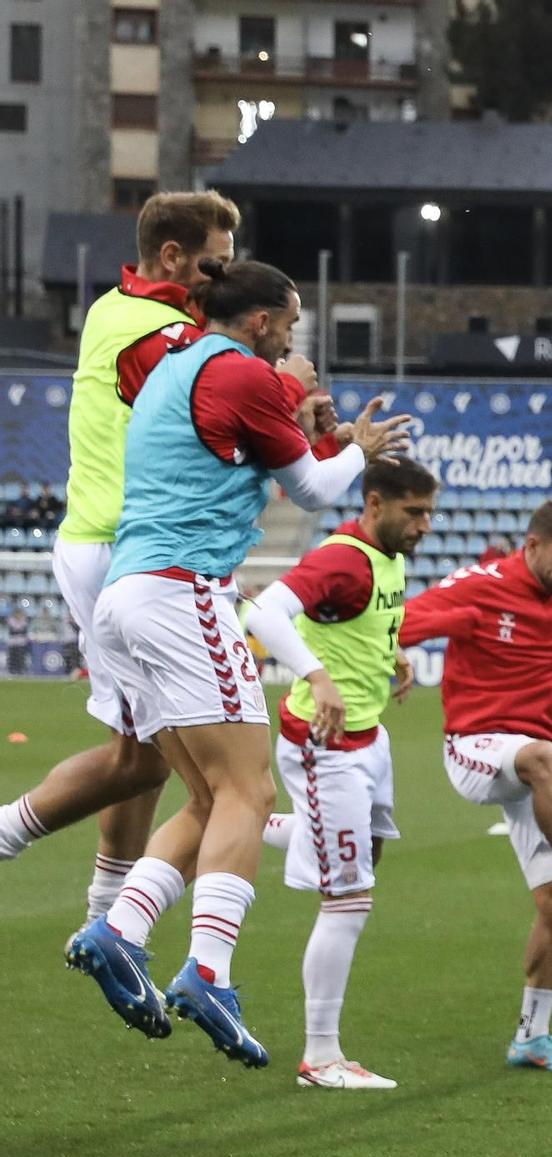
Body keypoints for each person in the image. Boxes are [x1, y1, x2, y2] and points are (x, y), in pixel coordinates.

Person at [68, 258, 409, 1067]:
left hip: (129, 595)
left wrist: (305, 412)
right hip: (184, 593)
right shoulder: (242, 372)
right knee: (251, 791)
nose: (295, 342)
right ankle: (208, 971)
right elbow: (320, 492)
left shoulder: (176, 364)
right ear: (261, 322)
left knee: (206, 794)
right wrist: (355, 444)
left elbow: (252, 451)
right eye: (290, 326)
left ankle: (119, 928)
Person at [0, 191, 238, 924]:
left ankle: (108, 910)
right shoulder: (156, 335)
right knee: (149, 757)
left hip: (111, 544)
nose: (221, 281)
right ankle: (35, 853)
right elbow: (208, 415)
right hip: (122, 551)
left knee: (146, 747)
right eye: (213, 265)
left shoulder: (115, 309)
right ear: (171, 257)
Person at [398, 498, 552, 1073]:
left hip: (534, 761)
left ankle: (533, 1037)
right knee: (542, 759)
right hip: (475, 746)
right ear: (531, 545)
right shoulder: (477, 587)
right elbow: (401, 620)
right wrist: (394, 654)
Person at [243, 460, 436, 1089]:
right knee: (349, 898)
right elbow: (265, 615)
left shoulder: (388, 558)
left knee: (362, 863)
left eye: (429, 512)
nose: (424, 526)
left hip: (368, 737)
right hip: (325, 746)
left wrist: (395, 653)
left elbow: (358, 623)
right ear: (375, 503)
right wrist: (316, 675)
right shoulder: (342, 557)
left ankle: (242, 826)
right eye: (414, 513)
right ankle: (320, 1058)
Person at [4, 605, 28, 675]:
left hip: (21, 642)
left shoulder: (24, 621)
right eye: (17, 613)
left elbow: (24, 632)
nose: (18, 615)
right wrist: (18, 631)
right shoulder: (11, 620)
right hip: (13, 642)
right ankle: (12, 670)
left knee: (20, 657)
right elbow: (11, 632)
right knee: (12, 657)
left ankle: (20, 669)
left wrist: (17, 631)